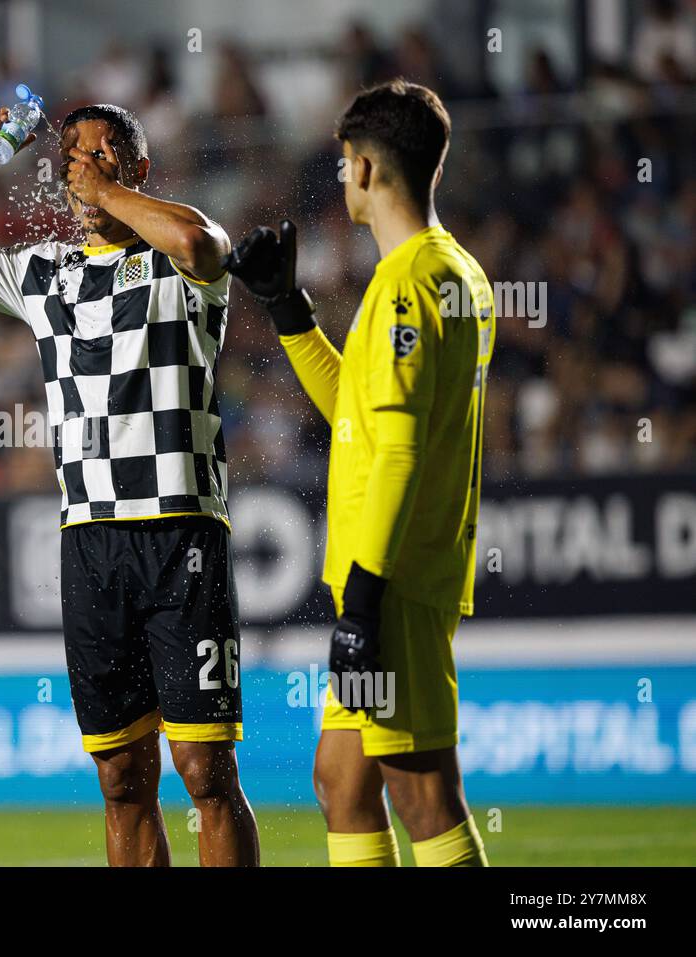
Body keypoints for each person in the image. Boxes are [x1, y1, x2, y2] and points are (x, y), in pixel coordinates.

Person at [0, 103, 259, 866]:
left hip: (180, 529)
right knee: (123, 779)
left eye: (105, 150)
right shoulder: (42, 272)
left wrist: (104, 194)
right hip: (89, 542)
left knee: (206, 773)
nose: (84, 162)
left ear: (139, 167)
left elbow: (202, 242)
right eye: (73, 155)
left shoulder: (179, 260)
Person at [226, 79, 494, 867]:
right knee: (342, 781)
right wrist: (289, 311)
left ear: (369, 170)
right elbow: (360, 409)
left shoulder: (409, 284)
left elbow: (402, 448)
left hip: (395, 582)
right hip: (394, 576)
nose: (342, 180)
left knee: (422, 793)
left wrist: (366, 597)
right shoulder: (455, 274)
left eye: (345, 164)